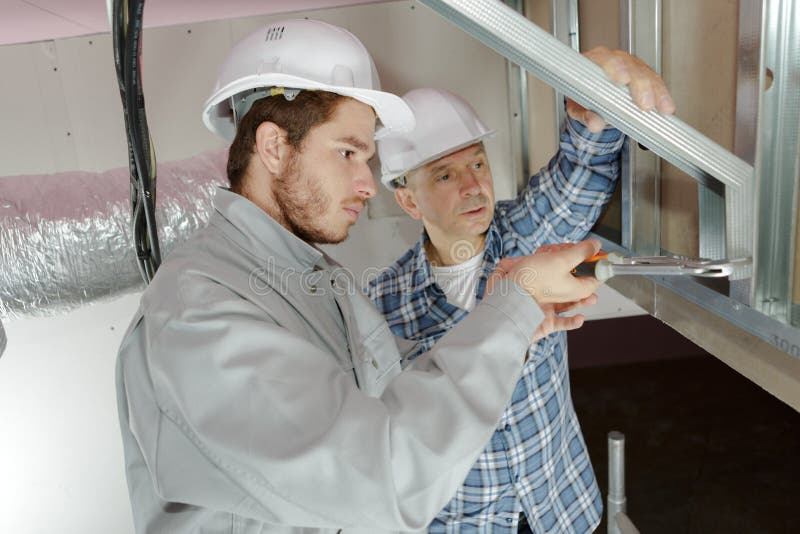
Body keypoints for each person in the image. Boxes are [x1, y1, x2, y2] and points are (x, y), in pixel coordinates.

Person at [115, 19, 604, 534]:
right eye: (348, 152)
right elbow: (383, 475)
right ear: (275, 148)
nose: (367, 185)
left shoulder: (315, 284)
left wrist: (515, 327)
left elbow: (388, 402)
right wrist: (515, 304)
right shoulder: (198, 307)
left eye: (367, 159)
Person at [369, 50, 674, 533]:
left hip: (561, 507)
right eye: (445, 175)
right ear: (408, 199)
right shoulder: (384, 307)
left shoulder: (525, 235)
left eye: (477, 163)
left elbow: (582, 172)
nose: (473, 186)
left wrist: (591, 108)